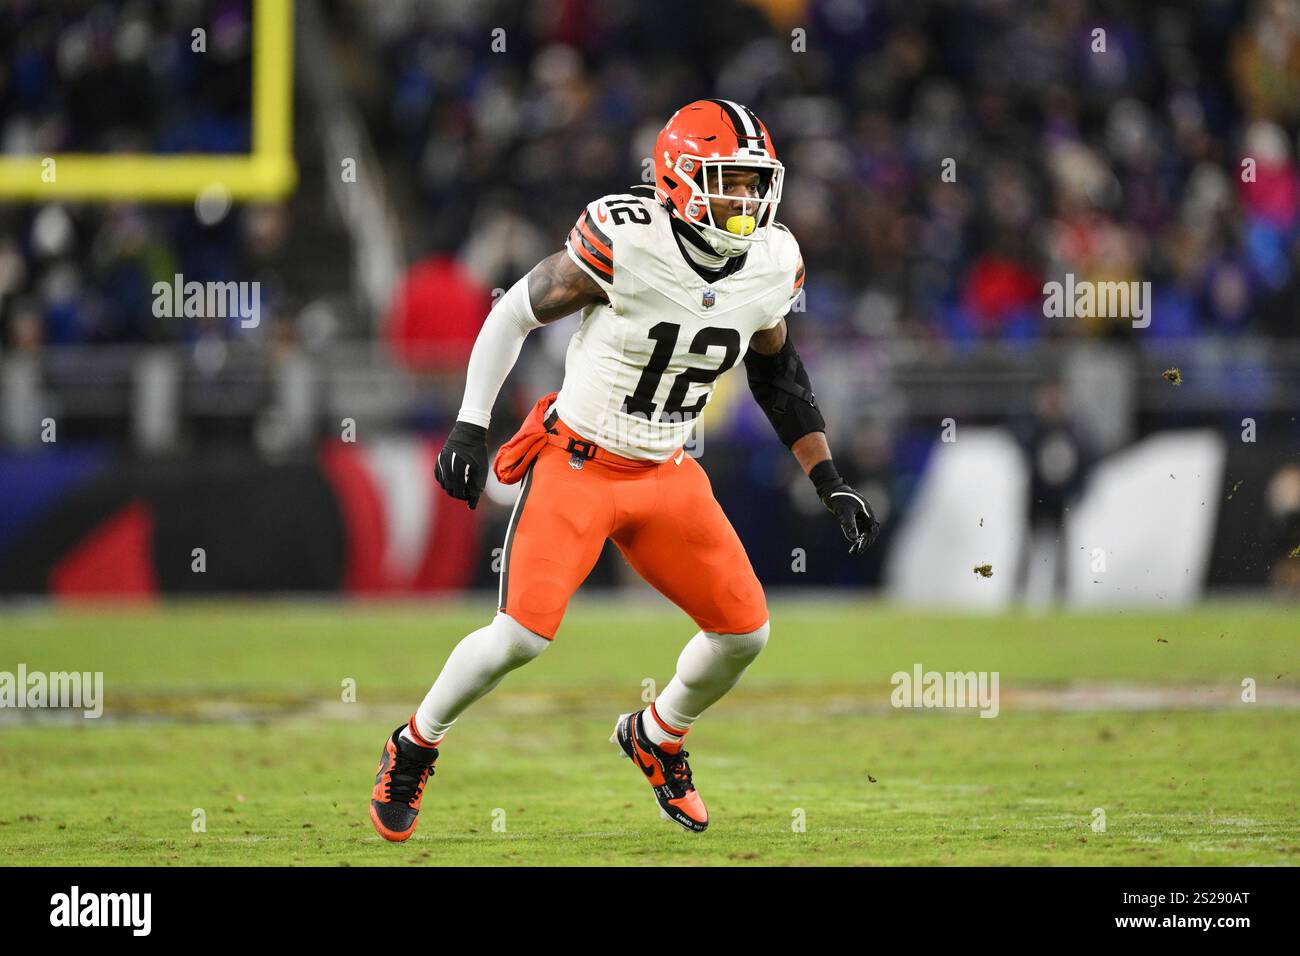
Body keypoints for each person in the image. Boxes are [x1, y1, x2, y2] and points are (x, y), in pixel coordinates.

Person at [370, 99, 880, 840]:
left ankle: (658, 735)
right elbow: (512, 312)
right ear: (677, 176)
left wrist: (827, 478)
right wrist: (470, 424)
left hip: (667, 470)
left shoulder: (771, 261)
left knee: (744, 633)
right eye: (727, 181)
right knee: (520, 637)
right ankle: (414, 743)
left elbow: (778, 373)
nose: (743, 199)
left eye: (751, 183)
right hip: (578, 463)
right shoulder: (627, 239)